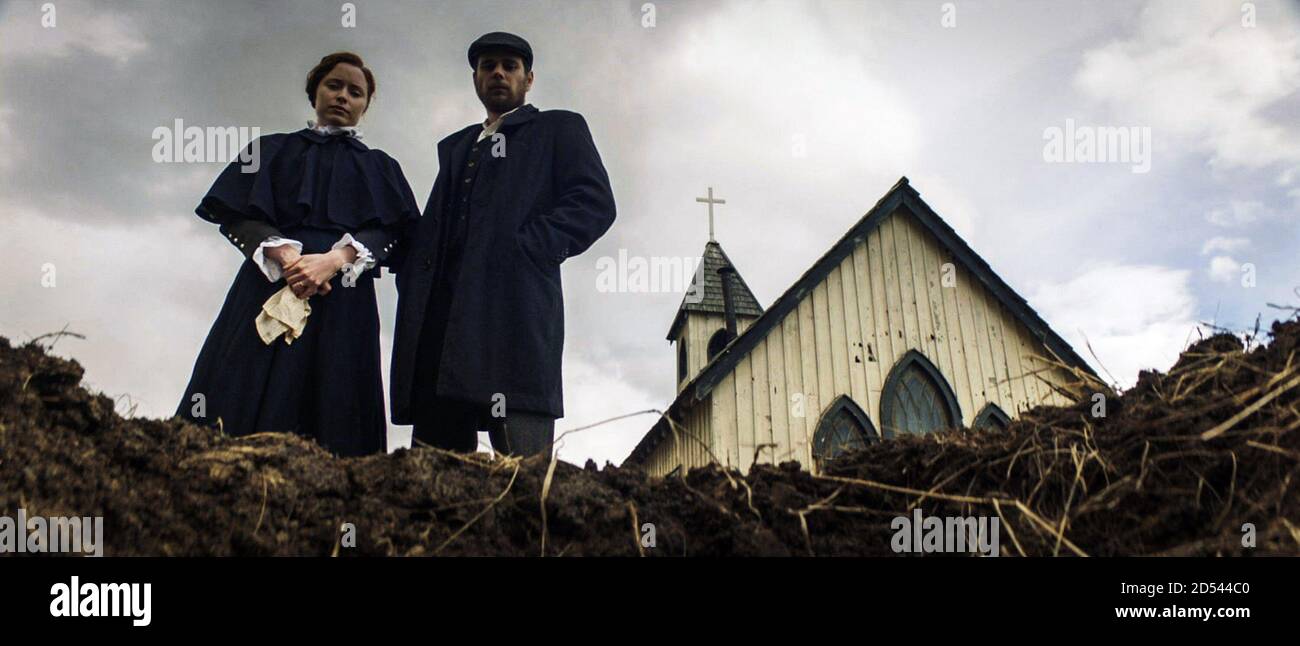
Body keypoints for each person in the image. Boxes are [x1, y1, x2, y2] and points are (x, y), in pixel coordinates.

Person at [176, 52, 419, 456]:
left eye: (355, 92)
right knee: (239, 384)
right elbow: (235, 214)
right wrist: (287, 257)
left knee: (337, 394)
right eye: (334, 86)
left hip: (344, 295)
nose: (343, 96)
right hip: (267, 284)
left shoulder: (380, 167)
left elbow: (396, 231)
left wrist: (334, 260)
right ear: (315, 92)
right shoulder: (270, 150)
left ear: (364, 106)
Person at [390, 32, 616, 457]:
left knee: (524, 471)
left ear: (528, 79)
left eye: (509, 66)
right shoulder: (458, 149)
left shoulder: (557, 128)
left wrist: (526, 249)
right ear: (475, 78)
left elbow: (594, 204)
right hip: (446, 321)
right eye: (487, 65)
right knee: (436, 474)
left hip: (514, 311)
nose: (498, 73)